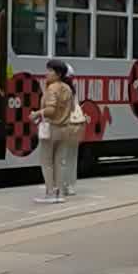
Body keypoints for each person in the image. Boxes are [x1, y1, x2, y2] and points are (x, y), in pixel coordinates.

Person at [36, 59, 75, 204]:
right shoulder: (68, 89)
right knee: (60, 162)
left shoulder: (52, 88)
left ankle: (50, 192)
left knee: (46, 162)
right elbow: (71, 109)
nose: (47, 74)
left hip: (51, 128)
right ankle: (59, 193)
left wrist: (37, 113)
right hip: (65, 128)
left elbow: (51, 110)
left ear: (58, 73)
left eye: (49, 71)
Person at [57, 61, 85, 197]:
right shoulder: (73, 90)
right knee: (72, 157)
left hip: (62, 125)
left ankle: (61, 185)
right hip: (75, 126)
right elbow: (76, 107)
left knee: (60, 157)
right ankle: (70, 186)